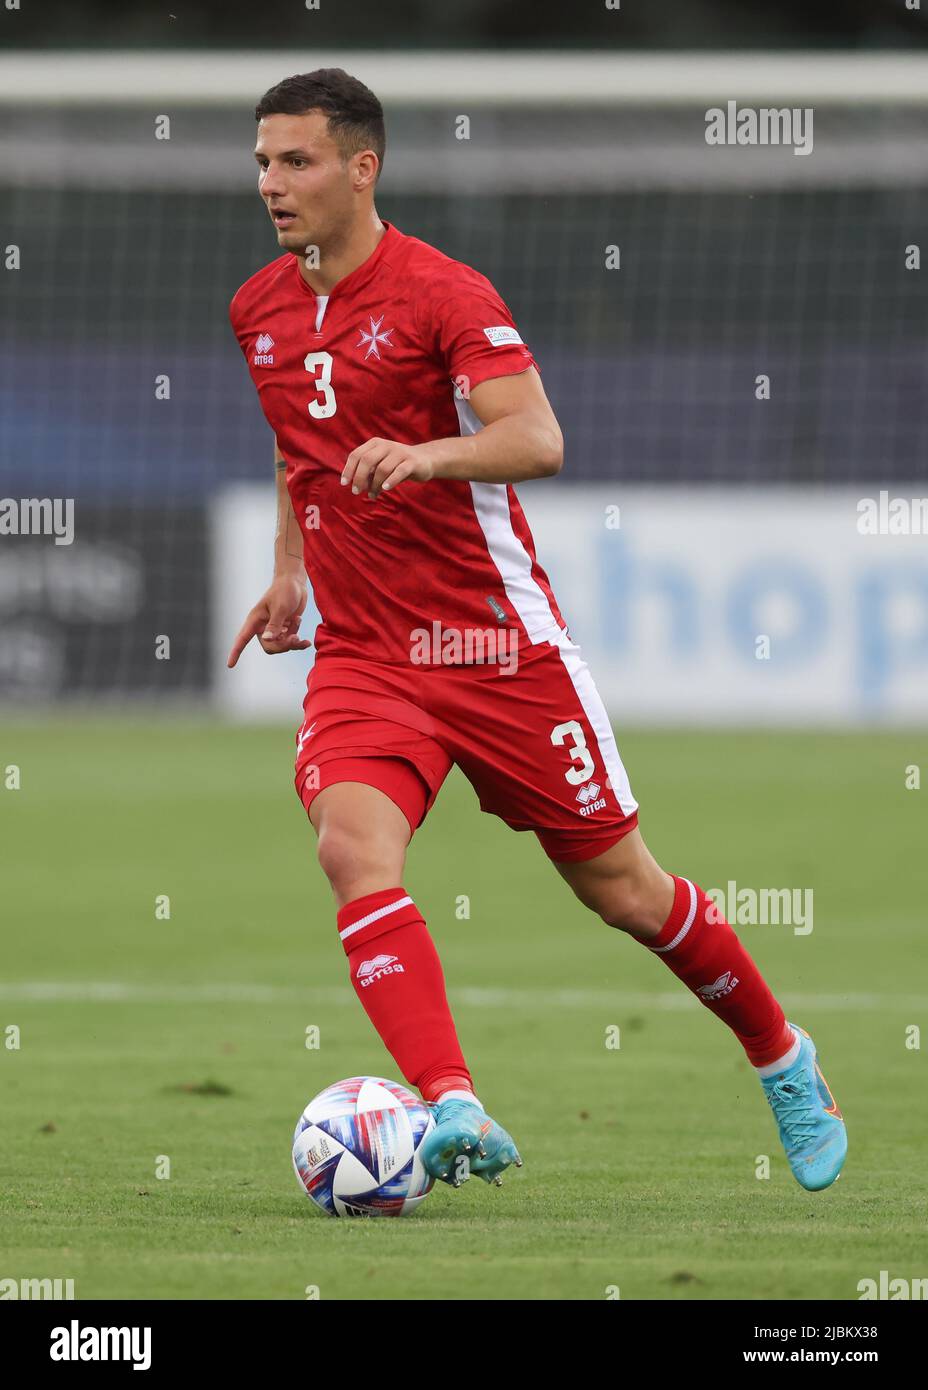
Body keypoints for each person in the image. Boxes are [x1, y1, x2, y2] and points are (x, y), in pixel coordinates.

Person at [228, 68, 847, 1193]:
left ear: (362, 168)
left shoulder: (443, 294)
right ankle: (454, 1102)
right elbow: (295, 445)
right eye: (263, 160)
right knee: (349, 849)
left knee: (627, 892)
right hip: (368, 654)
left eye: (297, 160)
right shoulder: (258, 307)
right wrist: (289, 575)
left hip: (495, 648)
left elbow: (536, 438)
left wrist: (428, 453)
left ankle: (782, 1054)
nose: (272, 182)